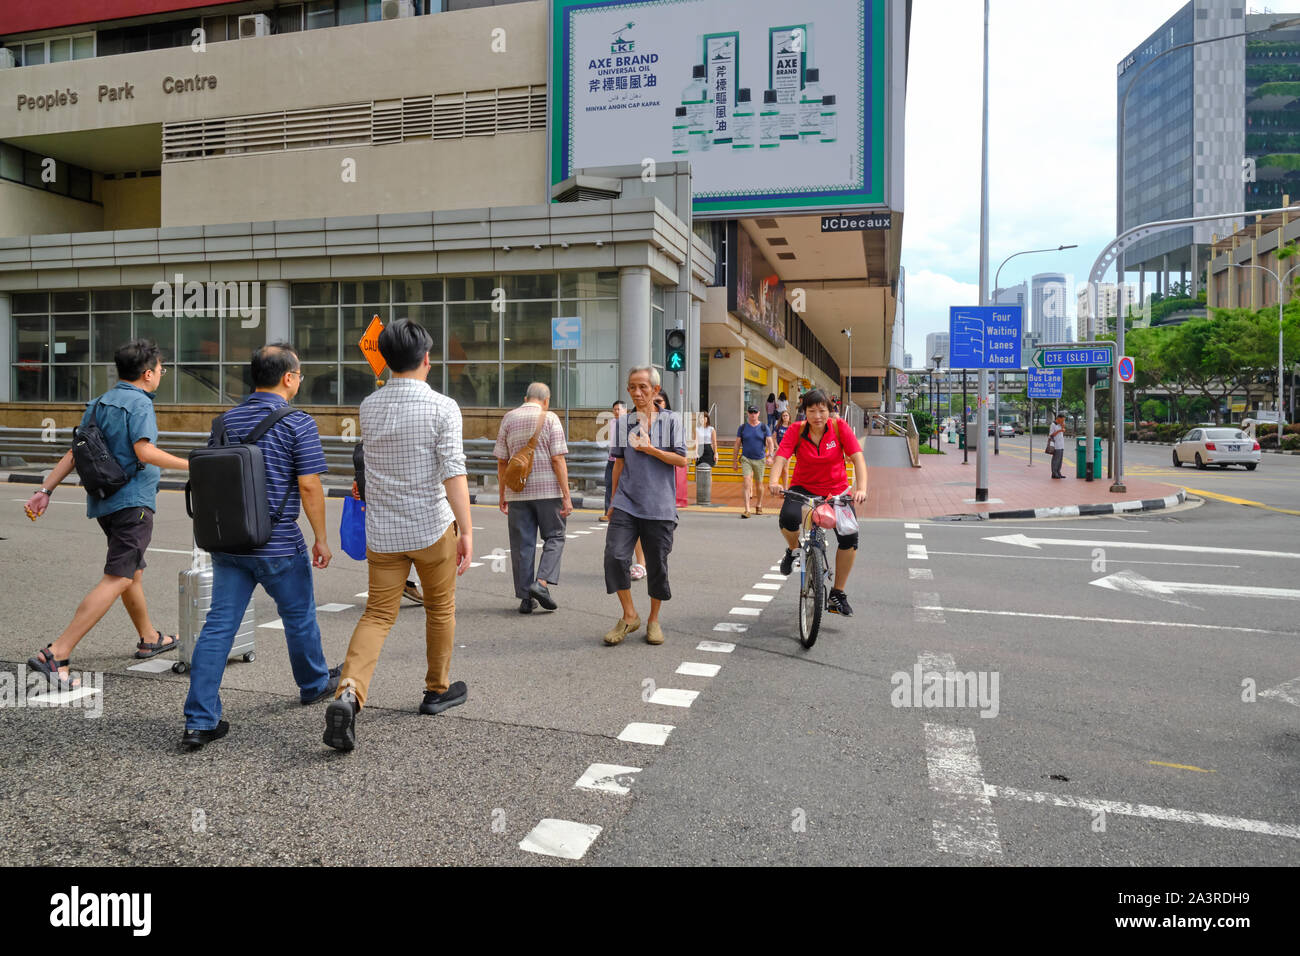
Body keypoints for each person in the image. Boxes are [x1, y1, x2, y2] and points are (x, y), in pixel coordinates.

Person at [324, 319, 473, 752]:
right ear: (427, 359)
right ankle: (436, 689)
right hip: (430, 528)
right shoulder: (444, 407)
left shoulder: (369, 406)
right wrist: (466, 530)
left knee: (377, 614)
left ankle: (349, 694)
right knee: (440, 609)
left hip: (384, 531)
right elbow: (454, 472)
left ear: (387, 360)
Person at [181, 343, 337, 749]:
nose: (299, 380)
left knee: (218, 626)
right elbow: (309, 485)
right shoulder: (297, 422)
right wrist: (320, 538)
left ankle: (200, 720)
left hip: (230, 542)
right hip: (279, 544)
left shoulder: (225, 421)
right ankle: (313, 684)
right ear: (288, 377)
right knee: (299, 616)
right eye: (299, 374)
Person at [24, 340, 190, 691]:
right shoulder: (140, 404)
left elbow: (76, 451)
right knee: (118, 576)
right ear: (148, 373)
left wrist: (45, 490)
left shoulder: (99, 403)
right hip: (133, 503)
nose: (162, 373)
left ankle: (149, 637)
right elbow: (143, 450)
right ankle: (57, 653)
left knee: (132, 572)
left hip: (105, 502)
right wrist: (194, 466)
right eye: (161, 369)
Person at [602, 366, 686, 646]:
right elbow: (619, 464)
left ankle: (653, 620)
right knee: (615, 557)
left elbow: (682, 461)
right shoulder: (622, 424)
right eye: (632, 387)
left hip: (659, 505)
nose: (637, 392)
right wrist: (612, 500)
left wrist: (650, 449)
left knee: (658, 566)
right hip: (627, 501)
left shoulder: (672, 421)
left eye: (643, 387)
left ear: (655, 390)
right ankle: (629, 615)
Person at [768, 388, 869, 616]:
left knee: (850, 537)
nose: (817, 416)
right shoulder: (796, 430)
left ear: (829, 411)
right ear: (804, 412)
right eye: (811, 411)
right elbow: (781, 457)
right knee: (788, 518)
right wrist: (774, 481)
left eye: (822, 410)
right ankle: (793, 550)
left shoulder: (839, 428)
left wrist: (861, 488)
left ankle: (837, 594)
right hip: (802, 487)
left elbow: (858, 458)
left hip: (836, 491)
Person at [494, 382, 572, 614]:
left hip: (517, 493)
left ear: (525, 397)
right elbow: (558, 459)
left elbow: (501, 461)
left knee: (522, 546)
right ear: (546, 400)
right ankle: (542, 583)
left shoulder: (508, 418)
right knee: (555, 537)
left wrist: (502, 493)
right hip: (548, 492)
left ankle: (526, 599)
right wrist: (566, 496)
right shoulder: (550, 418)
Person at [351, 443, 423, 605]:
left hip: (381, 490)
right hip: (391, 491)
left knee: (390, 536)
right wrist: (357, 479)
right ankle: (403, 584)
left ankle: (390, 585)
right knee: (408, 536)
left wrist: (358, 479)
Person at [733, 405, 773, 518]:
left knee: (759, 484)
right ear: (747, 413)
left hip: (760, 459)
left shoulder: (764, 427)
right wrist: (734, 461)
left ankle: (759, 505)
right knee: (746, 481)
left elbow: (770, 442)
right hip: (746, 458)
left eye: (755, 412)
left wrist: (770, 455)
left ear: (759, 413)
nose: (753, 414)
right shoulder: (743, 428)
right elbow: (737, 445)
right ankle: (747, 509)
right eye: (751, 412)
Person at [601, 400, 627, 520]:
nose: (616, 411)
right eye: (615, 409)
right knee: (609, 485)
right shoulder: (612, 422)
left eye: (619, 409)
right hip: (611, 459)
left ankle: (621, 512)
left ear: (625, 410)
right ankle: (608, 512)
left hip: (622, 460)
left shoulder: (628, 423)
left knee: (622, 486)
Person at [1048, 413, 1067, 479]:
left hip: (1061, 444)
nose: (1063, 421)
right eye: (1062, 420)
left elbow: (1062, 432)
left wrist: (1062, 427)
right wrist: (1059, 430)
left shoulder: (1060, 424)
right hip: (1056, 445)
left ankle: (1058, 472)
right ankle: (1054, 473)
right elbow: (1051, 435)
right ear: (1058, 418)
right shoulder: (1053, 425)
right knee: (1056, 460)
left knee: (1060, 460)